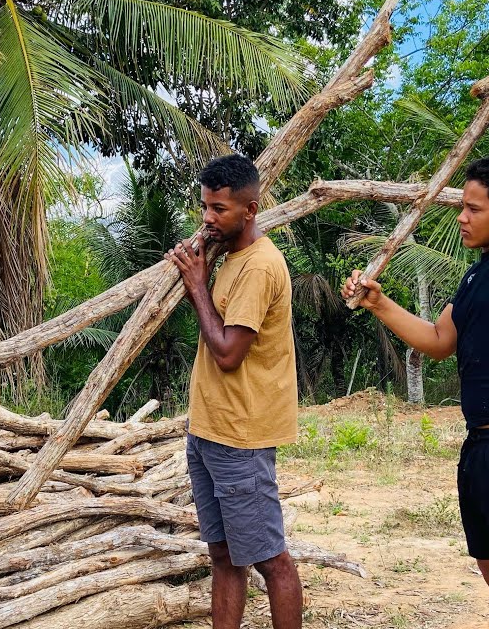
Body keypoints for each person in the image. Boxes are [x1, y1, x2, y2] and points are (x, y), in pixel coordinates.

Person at [343, 31, 489, 628]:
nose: (462, 217)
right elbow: (439, 341)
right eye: (461, 206)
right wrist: (380, 304)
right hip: (483, 447)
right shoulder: (479, 275)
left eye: (474, 208)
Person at [166, 154, 303, 629]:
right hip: (209, 430)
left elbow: (227, 353)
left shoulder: (259, 267)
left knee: (270, 559)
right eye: (205, 206)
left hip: (240, 437)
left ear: (250, 210)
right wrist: (201, 278)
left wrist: (196, 287)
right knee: (223, 555)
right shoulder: (229, 256)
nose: (208, 218)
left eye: (219, 209)